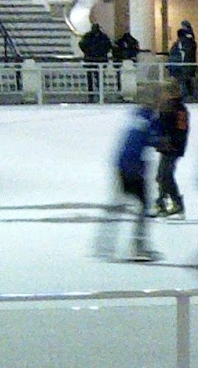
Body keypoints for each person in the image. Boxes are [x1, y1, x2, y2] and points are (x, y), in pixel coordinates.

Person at [100, 99, 159, 261]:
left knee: (119, 203)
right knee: (143, 205)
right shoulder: (147, 122)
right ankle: (138, 246)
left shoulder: (135, 118)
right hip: (132, 167)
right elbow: (149, 141)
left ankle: (104, 244)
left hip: (121, 164)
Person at [153, 79, 190, 219]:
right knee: (161, 176)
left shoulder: (178, 109)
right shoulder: (166, 107)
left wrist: (172, 143)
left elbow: (181, 130)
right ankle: (162, 203)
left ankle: (176, 203)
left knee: (165, 176)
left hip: (172, 148)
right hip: (165, 147)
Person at [79, 19, 112, 99]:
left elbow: (81, 44)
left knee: (95, 78)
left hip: (92, 59)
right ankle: (96, 94)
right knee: (98, 78)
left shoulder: (88, 36)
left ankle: (93, 94)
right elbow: (108, 46)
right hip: (98, 59)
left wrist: (88, 52)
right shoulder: (102, 36)